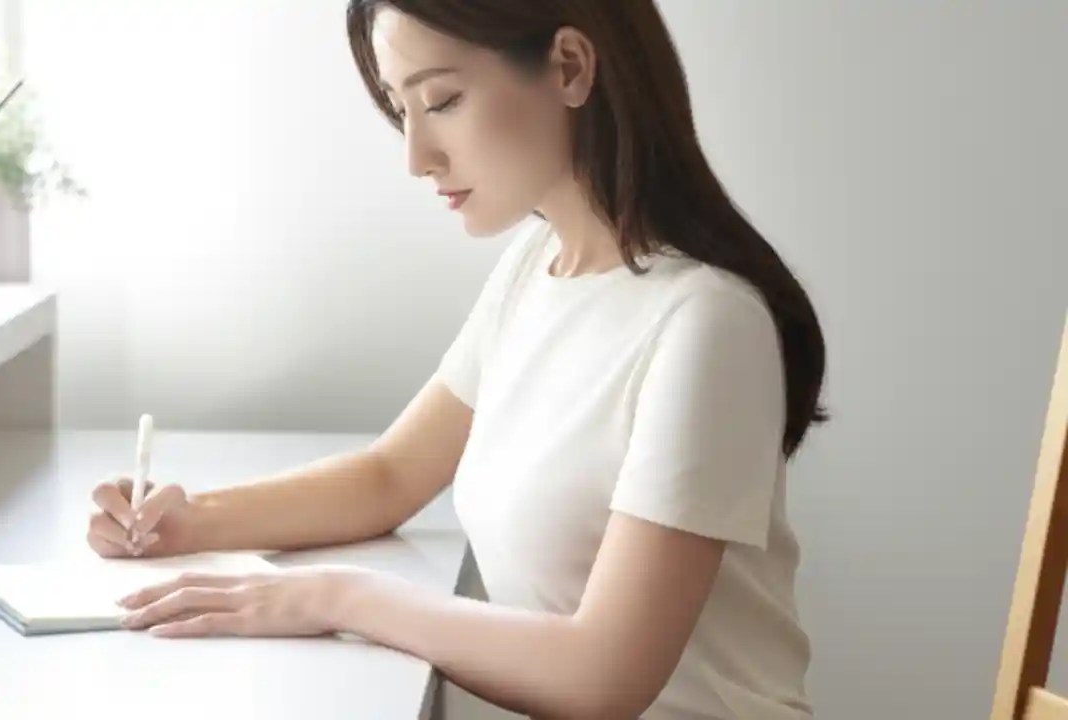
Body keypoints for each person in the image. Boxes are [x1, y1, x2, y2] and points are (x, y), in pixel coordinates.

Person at [87, 2, 828, 718]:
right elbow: (390, 476)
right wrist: (188, 523)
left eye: (440, 101)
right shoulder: (538, 266)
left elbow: (603, 679)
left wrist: (337, 597)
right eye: (399, 110)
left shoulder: (706, 322)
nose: (416, 156)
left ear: (570, 66)